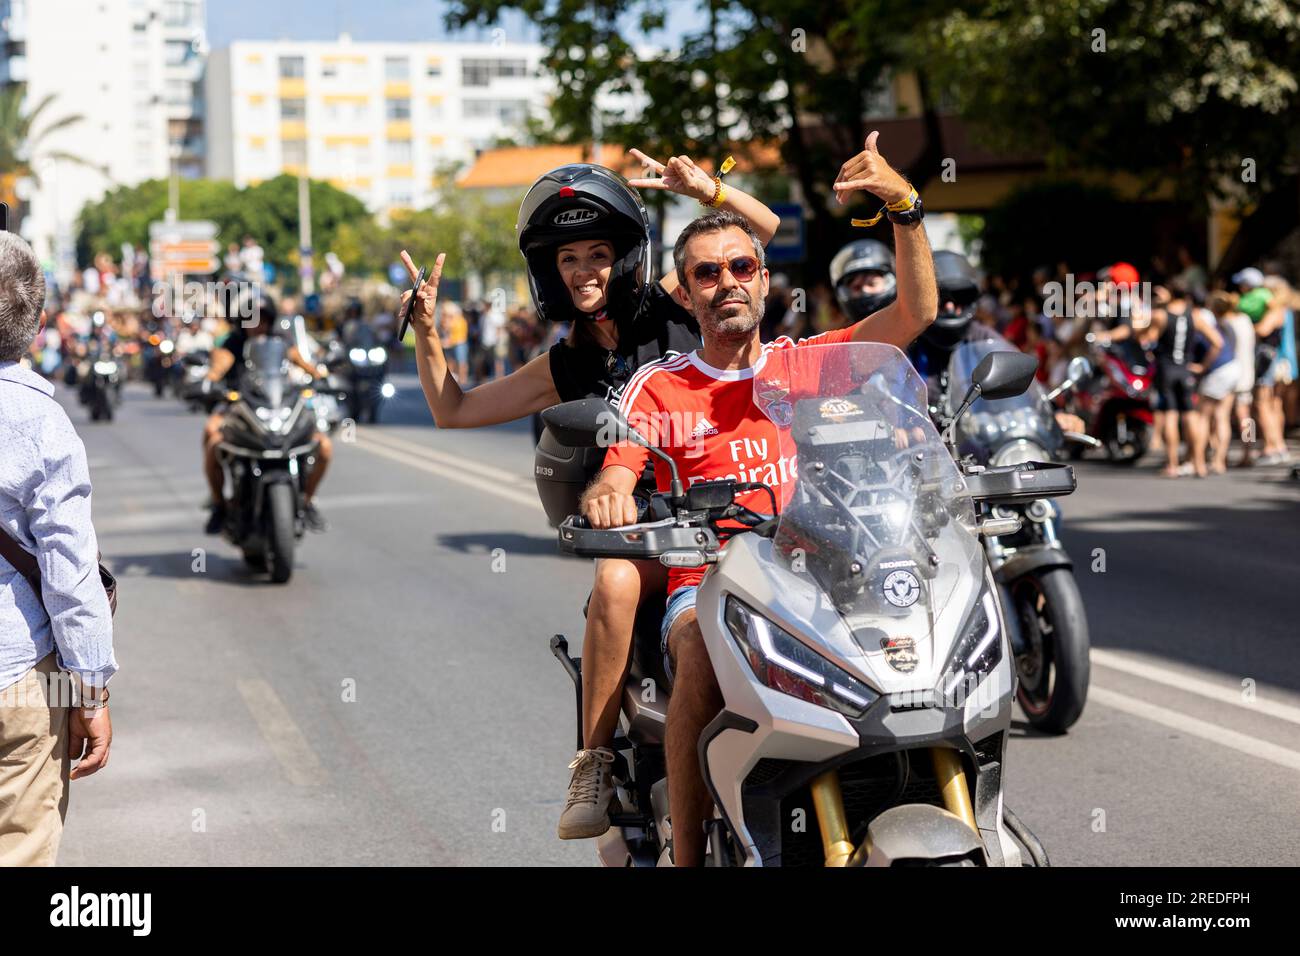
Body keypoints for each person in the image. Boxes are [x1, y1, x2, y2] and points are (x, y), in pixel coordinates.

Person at [398, 150, 780, 841]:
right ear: (550, 271)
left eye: (598, 253)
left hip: (743, 517)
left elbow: (765, 232)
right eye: (568, 258)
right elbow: (454, 410)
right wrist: (427, 333)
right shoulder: (564, 365)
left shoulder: (676, 303)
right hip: (651, 540)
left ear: (624, 258)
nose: (585, 271)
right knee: (613, 582)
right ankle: (594, 762)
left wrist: (709, 190)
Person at [581, 133, 936, 865]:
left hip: (824, 575)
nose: (727, 282)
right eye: (707, 274)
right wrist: (613, 492)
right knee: (705, 660)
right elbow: (622, 464)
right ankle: (687, 855)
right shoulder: (662, 384)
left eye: (742, 266)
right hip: (709, 585)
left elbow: (914, 316)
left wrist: (903, 206)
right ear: (686, 292)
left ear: (765, 280)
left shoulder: (806, 364)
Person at [0, 232, 117, 866]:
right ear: (40, 323)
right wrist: (90, 695)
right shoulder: (43, 424)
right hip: (17, 679)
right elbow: (70, 580)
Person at [200, 294, 333, 533]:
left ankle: (307, 501)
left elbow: (303, 364)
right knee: (212, 436)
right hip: (237, 406)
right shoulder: (233, 343)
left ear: (270, 321)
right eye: (251, 320)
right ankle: (219, 504)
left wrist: (321, 376)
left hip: (278, 407)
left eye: (262, 319)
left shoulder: (281, 341)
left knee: (323, 446)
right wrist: (209, 381)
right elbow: (219, 366)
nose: (257, 325)